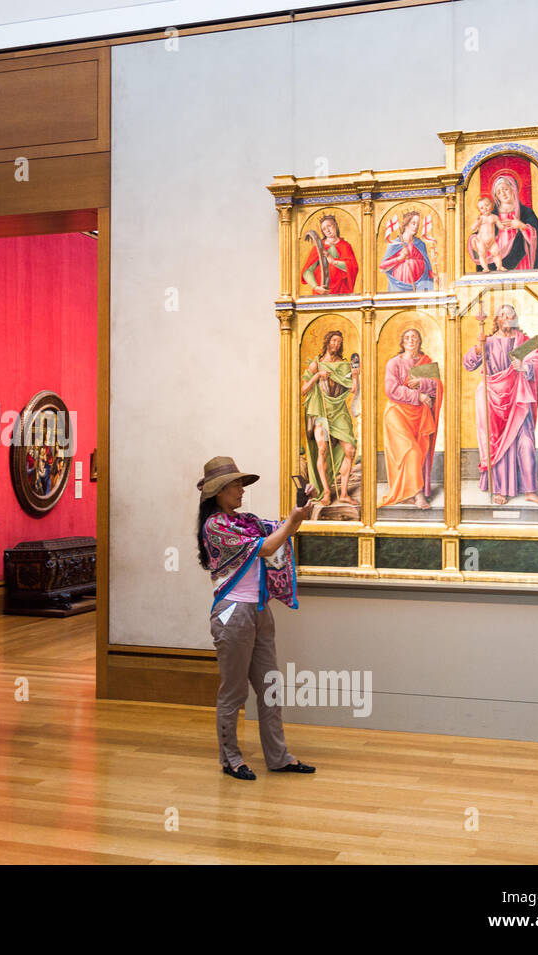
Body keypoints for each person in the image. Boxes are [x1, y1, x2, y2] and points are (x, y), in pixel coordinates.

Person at [195, 457, 316, 780]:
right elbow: (267, 546)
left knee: (270, 687)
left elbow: (282, 532)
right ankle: (230, 759)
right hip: (233, 612)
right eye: (234, 485)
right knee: (233, 692)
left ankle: (278, 757)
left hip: (258, 610)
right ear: (217, 492)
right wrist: (292, 521)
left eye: (240, 484)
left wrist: (301, 508)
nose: (240, 490)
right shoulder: (216, 526)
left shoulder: (245, 520)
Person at [462, 304, 538, 505]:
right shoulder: (488, 341)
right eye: (502, 315)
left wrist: (525, 367)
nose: (506, 317)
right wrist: (478, 348)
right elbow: (468, 364)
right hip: (493, 396)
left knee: (526, 443)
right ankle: (500, 489)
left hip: (519, 396)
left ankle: (529, 490)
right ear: (496, 320)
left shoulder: (523, 342)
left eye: (510, 314)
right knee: (498, 443)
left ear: (516, 319)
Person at [380, 327, 443, 508]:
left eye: (414, 337)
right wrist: (418, 396)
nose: (410, 340)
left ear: (419, 341)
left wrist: (422, 383)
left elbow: (436, 386)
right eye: (407, 337)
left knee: (419, 452)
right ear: (402, 342)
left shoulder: (425, 361)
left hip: (419, 416)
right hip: (397, 413)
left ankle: (407, 491)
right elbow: (391, 390)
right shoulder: (394, 363)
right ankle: (418, 494)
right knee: (412, 452)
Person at [300, 329, 359, 506]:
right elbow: (304, 390)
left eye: (339, 342)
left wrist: (355, 377)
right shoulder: (316, 364)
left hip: (339, 412)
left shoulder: (345, 365)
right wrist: (317, 376)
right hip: (321, 414)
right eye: (334, 341)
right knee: (322, 449)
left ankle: (343, 494)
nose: (336, 345)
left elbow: (353, 389)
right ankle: (326, 492)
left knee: (350, 450)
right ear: (327, 342)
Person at [484, 173, 538, 271]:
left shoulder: (526, 212)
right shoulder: (492, 214)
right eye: (499, 192)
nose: (503, 194)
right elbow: (482, 232)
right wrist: (474, 239)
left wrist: (522, 226)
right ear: (496, 196)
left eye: (505, 189)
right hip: (498, 254)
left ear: (513, 188)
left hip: (520, 256)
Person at [301, 214, 359, 294]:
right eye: (324, 229)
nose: (327, 230)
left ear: (336, 226)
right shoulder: (319, 247)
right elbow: (308, 271)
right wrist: (316, 287)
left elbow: (353, 267)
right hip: (322, 290)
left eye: (329, 226)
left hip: (341, 290)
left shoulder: (345, 246)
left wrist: (333, 261)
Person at [379, 210, 435, 291]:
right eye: (413, 223)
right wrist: (399, 259)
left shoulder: (420, 244)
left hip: (419, 284)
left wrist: (433, 275)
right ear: (406, 224)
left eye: (418, 224)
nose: (416, 227)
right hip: (399, 284)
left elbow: (428, 266)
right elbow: (382, 266)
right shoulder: (396, 243)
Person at [468, 196, 505, 272]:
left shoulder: (494, 217)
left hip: (492, 241)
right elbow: (472, 228)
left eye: (487, 205)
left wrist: (504, 225)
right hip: (481, 241)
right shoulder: (481, 218)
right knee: (482, 254)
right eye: (482, 208)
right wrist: (477, 222)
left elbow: (501, 227)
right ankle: (485, 268)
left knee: (496, 253)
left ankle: (499, 266)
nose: (485, 208)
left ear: (491, 206)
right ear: (479, 210)